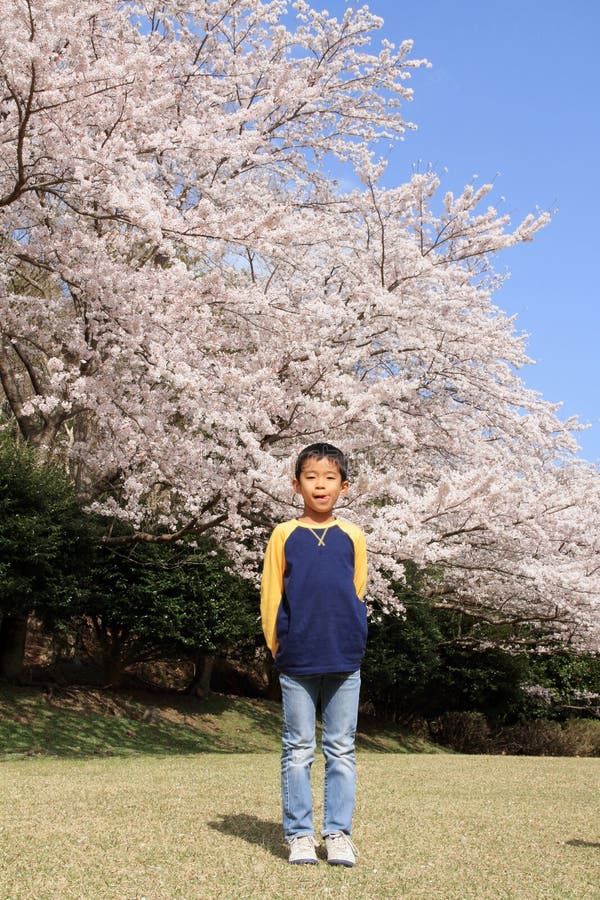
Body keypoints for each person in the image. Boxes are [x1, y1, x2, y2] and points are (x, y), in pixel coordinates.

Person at [260, 442, 368, 866]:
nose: (320, 486)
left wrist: (355, 636)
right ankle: (300, 834)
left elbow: (357, 590)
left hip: (344, 659)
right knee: (298, 749)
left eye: (329, 478)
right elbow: (272, 595)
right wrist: (280, 645)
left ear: (344, 486)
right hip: (298, 660)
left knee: (341, 749)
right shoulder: (283, 534)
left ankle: (338, 833)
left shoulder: (353, 535)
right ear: (295, 484)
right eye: (311, 477)